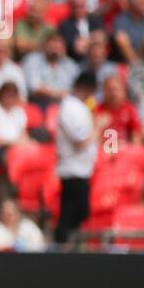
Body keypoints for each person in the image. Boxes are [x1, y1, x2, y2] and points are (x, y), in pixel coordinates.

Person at [54, 72, 99, 245]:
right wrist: (98, 127)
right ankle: (61, 250)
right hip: (72, 170)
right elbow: (81, 141)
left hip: (82, 169)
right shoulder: (70, 107)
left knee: (80, 213)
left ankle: (70, 248)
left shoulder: (80, 107)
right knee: (70, 215)